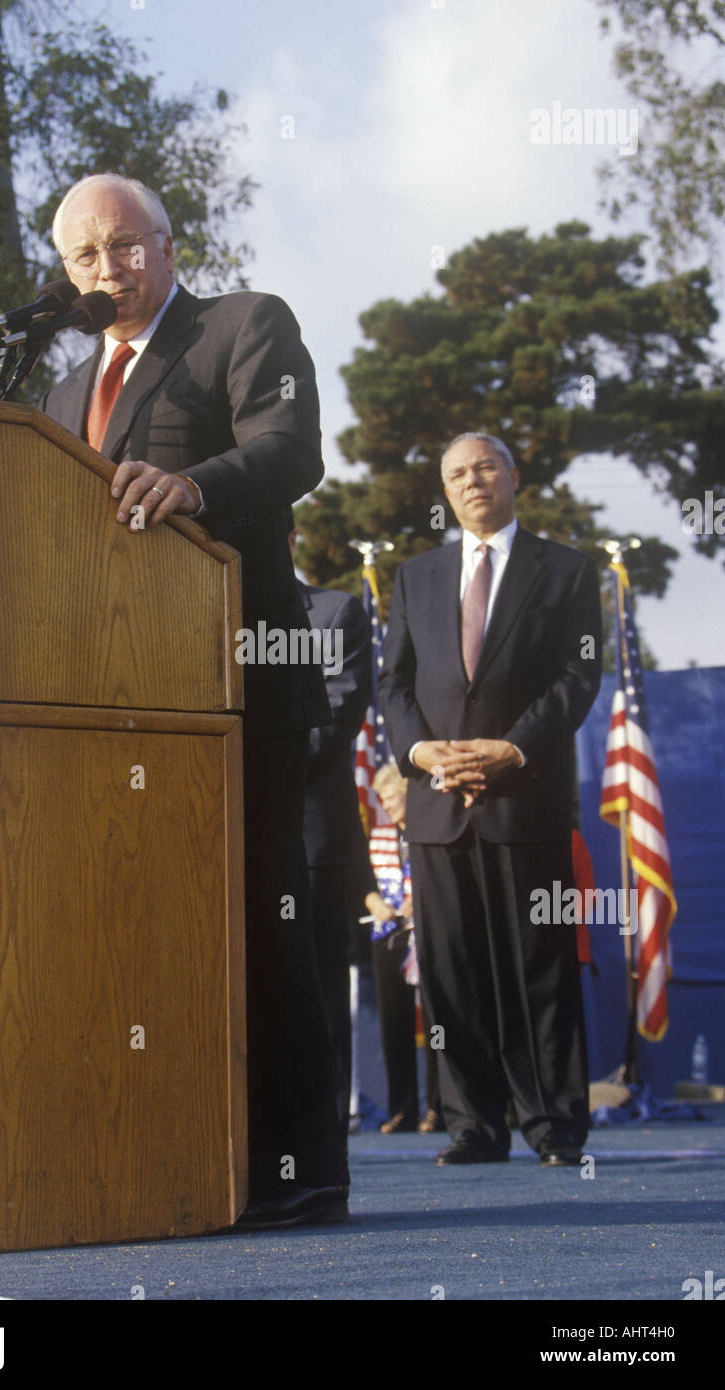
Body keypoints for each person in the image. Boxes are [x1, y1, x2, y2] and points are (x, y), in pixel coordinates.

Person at [0, 172, 348, 1228]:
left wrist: (194, 487)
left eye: (128, 246)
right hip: (106, 699)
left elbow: (291, 452)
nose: (112, 269)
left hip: (235, 672)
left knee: (256, 911)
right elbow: (24, 503)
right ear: (65, 275)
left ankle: (296, 1167)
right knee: (135, 927)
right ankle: (157, 1149)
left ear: (170, 244)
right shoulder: (57, 395)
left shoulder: (240, 324)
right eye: (87, 258)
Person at [379, 432, 602, 1166]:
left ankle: (554, 1124)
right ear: (445, 492)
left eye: (484, 467)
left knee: (540, 969)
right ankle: (474, 1123)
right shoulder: (413, 578)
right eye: (456, 474)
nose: (471, 481)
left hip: (525, 799)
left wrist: (511, 750)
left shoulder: (568, 572)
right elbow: (394, 685)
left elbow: (576, 678)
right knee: (450, 976)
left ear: (512, 476)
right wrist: (421, 754)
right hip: (438, 808)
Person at [289, 517, 371, 1138]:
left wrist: (244, 759)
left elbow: (336, 713)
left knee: (313, 982)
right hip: (214, 831)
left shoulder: (335, 613)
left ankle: (321, 1137)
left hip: (309, 833)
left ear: (289, 539)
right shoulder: (198, 596)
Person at [364, 763, 442, 1135]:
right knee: (394, 1024)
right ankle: (403, 1109)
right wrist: (373, 903)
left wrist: (421, 900)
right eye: (383, 800)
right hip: (388, 938)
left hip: (428, 935)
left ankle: (440, 1107)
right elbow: (360, 882)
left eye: (393, 798)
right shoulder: (378, 838)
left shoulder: (432, 832)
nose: (388, 806)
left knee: (436, 1023)